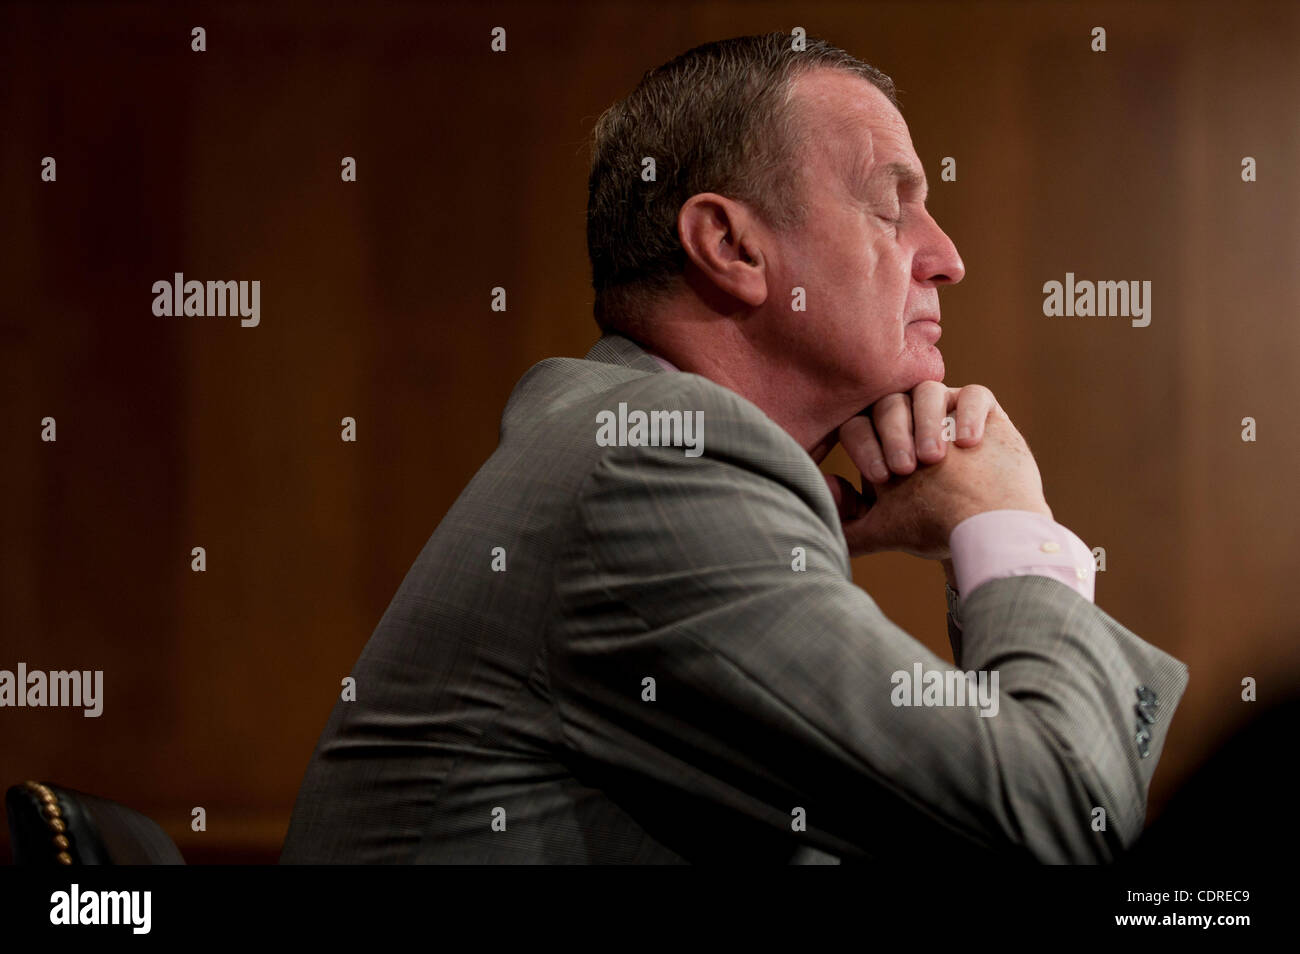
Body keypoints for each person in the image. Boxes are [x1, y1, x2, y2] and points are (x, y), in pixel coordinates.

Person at [281, 32, 1188, 864]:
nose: (946, 257)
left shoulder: (643, 444)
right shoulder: (653, 468)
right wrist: (1006, 520)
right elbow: (1069, 827)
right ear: (729, 245)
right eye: (891, 207)